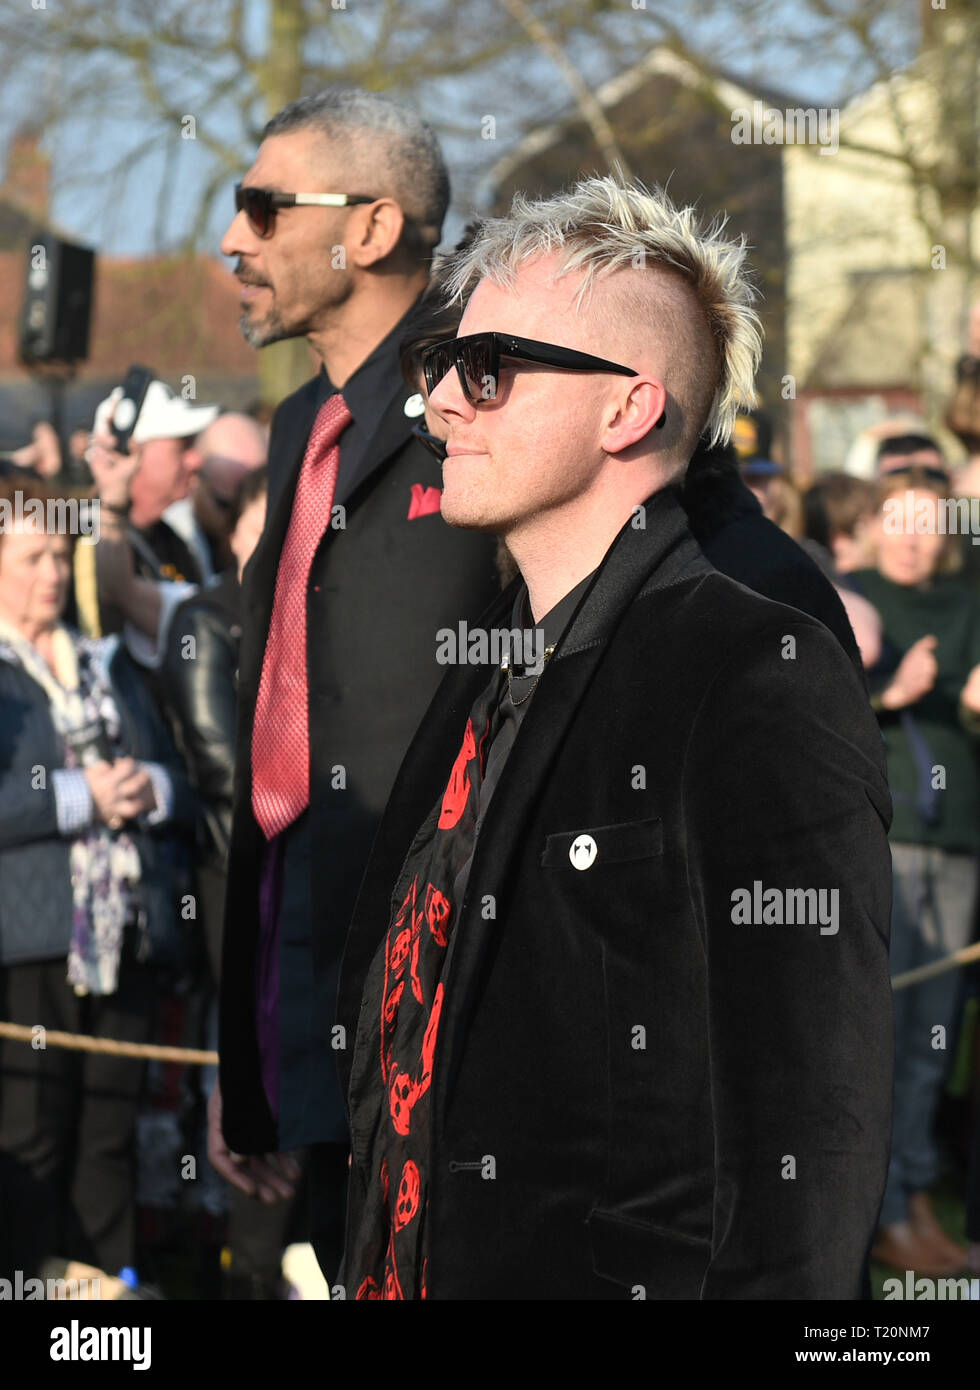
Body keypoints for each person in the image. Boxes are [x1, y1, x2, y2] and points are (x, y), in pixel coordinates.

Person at [335, 175, 895, 1301]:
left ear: (627, 409)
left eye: (486, 368)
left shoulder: (750, 675)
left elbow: (806, 1135)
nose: (439, 402)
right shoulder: (482, 670)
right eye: (435, 366)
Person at [208, 87, 499, 1287]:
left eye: (264, 207)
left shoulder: (490, 392)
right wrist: (256, 1058)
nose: (234, 240)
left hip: (457, 989)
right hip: (306, 950)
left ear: (372, 228)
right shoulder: (295, 425)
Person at [0, 475, 194, 1281]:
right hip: (29, 951)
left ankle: (106, 1319)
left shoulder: (103, 662)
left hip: (123, 943)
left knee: (108, 1142)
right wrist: (85, 796)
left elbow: (180, 771)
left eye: (61, 555)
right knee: (29, 1146)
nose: (53, 573)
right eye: (35, 555)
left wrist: (153, 786)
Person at [850, 467, 980, 1276]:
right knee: (886, 1032)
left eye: (927, 522)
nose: (910, 535)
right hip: (885, 833)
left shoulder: (969, 602)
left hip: (962, 836)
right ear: (870, 522)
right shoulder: (845, 594)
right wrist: (889, 693)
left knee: (936, 1038)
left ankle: (918, 1199)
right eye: (896, 518)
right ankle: (882, 1211)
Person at [86, 377, 219, 670]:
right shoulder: (80, 536)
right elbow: (114, 589)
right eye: (180, 447)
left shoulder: (175, 538)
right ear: (129, 454)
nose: (195, 460)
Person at [191, 413, 268, 577]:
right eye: (226, 505)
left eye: (251, 501)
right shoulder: (174, 544)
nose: (238, 522)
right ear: (194, 479)